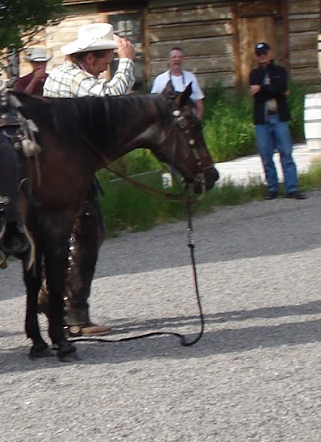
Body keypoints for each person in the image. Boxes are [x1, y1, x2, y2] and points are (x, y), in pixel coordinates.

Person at [43, 22, 138, 337]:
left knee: (79, 234)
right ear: (90, 58)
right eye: (107, 59)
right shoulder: (72, 77)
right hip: (63, 170)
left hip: (63, 167)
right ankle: (73, 314)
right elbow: (110, 99)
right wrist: (127, 61)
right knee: (85, 234)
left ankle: (53, 296)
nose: (108, 65)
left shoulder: (70, 75)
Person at [249, 41, 304, 199]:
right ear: (256, 56)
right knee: (266, 155)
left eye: (265, 53)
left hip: (279, 116)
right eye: (259, 54)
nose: (262, 57)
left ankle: (291, 188)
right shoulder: (254, 74)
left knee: (286, 152)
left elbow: (281, 87)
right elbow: (259, 95)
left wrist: (263, 88)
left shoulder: (280, 71)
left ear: (270, 53)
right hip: (262, 118)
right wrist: (274, 91)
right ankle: (272, 188)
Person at [149, 46, 204, 117]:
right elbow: (153, 103)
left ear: (183, 59)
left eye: (180, 57)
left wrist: (197, 121)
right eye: (174, 57)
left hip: (188, 119)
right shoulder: (160, 79)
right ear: (169, 60)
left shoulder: (191, 77)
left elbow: (199, 102)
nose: (177, 59)